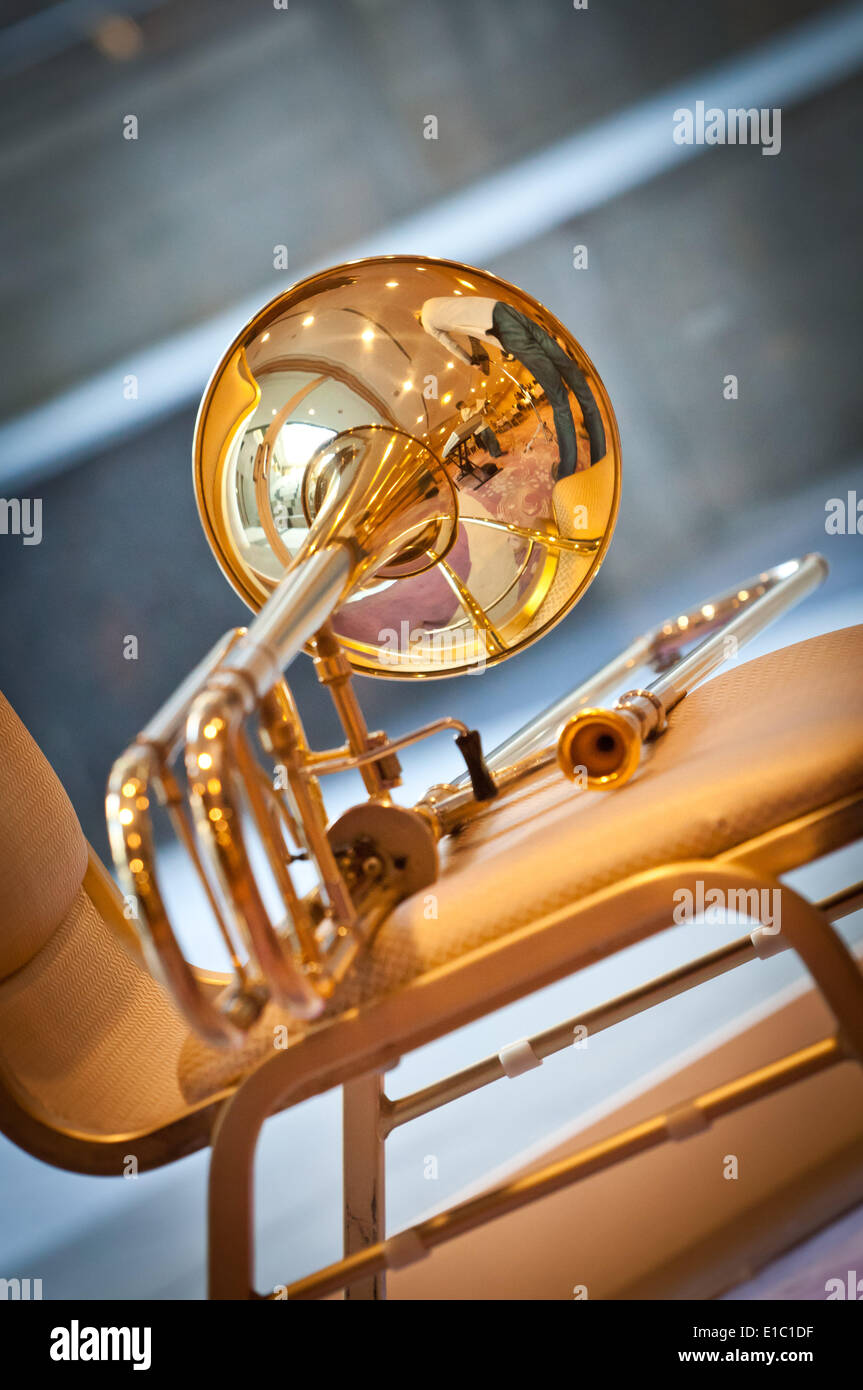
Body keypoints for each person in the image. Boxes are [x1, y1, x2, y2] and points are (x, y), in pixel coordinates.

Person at [420, 296, 605, 479]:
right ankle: (600, 454)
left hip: (501, 327)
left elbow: (451, 344)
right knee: (575, 378)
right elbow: (468, 324)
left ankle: (565, 472)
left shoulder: (427, 323)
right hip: (502, 308)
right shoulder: (435, 302)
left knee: (559, 401)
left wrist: (470, 361)